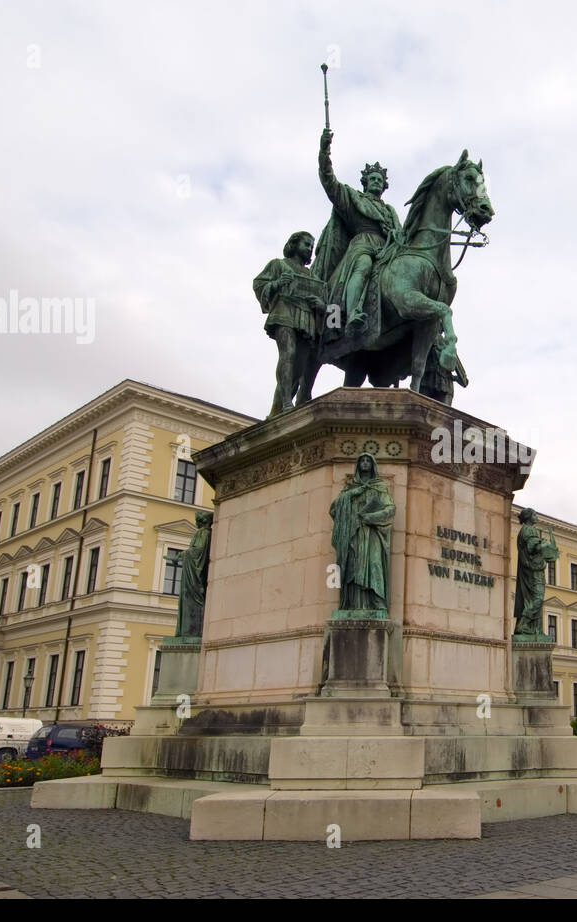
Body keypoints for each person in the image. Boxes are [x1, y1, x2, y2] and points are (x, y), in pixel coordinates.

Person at [312, 127, 402, 342]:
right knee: (363, 265)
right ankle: (353, 313)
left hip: (388, 249)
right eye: (372, 179)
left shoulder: (390, 210)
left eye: (380, 180)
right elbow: (329, 181)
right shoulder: (352, 198)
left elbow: (401, 233)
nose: (376, 182)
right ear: (365, 182)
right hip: (363, 244)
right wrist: (324, 151)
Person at [253, 231, 326, 416]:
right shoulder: (279, 264)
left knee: (300, 365)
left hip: (305, 316)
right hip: (284, 310)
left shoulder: (312, 276)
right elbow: (259, 284)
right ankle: (286, 403)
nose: (309, 249)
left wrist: (321, 305)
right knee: (288, 353)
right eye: (306, 244)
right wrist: (277, 283)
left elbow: (323, 301)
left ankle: (277, 408)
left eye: (311, 246)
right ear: (294, 244)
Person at [328, 454, 396, 614]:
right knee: (352, 566)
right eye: (362, 461)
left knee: (374, 565)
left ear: (373, 466)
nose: (365, 463)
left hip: (371, 533)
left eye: (368, 461)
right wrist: (352, 494)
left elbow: (390, 509)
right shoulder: (349, 489)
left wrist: (371, 517)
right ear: (358, 465)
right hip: (353, 535)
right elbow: (334, 510)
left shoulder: (379, 487)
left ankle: (376, 601)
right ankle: (352, 604)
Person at [514, 507, 557, 636]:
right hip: (533, 571)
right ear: (529, 517)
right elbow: (532, 547)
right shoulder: (528, 530)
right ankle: (523, 624)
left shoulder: (527, 530)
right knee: (537, 598)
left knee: (534, 599)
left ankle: (536, 629)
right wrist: (544, 545)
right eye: (534, 514)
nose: (536, 517)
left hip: (533, 569)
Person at [175, 511, 213, 637]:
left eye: (197, 520)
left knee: (191, 601)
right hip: (195, 574)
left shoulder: (203, 533)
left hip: (194, 577)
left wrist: (182, 554)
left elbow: (198, 551)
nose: (196, 523)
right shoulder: (206, 533)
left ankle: (190, 632)